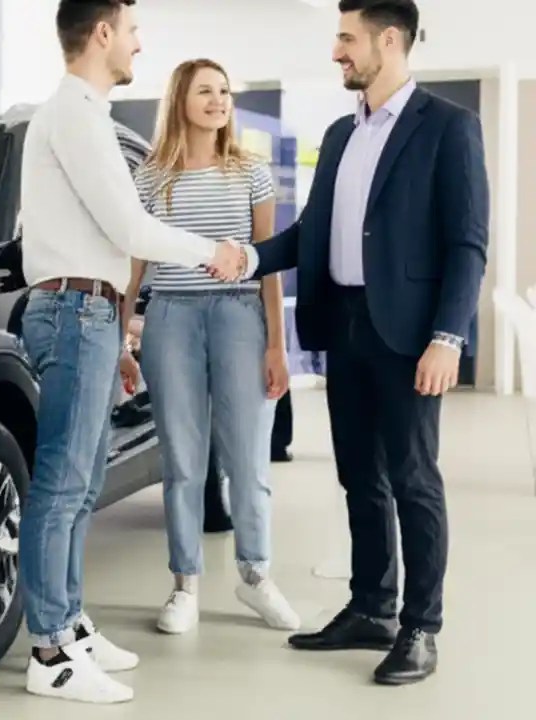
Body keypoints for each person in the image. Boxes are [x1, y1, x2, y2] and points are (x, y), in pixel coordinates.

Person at [239, 0, 489, 685]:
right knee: (359, 479)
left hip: (410, 335)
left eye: (346, 39)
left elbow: (467, 245)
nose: (337, 52)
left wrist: (448, 335)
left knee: (413, 480)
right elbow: (311, 232)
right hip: (344, 325)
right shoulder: (341, 135)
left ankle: (420, 628)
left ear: (388, 39)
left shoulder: (448, 128)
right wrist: (249, 258)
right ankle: (373, 606)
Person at [18, 0, 252, 704]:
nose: (138, 46)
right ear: (102, 33)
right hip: (70, 311)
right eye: (132, 31)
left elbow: (113, 237)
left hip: (89, 311)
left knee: (83, 485)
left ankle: (72, 626)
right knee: (60, 486)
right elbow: (132, 227)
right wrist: (217, 251)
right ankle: (50, 653)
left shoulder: (83, 118)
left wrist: (119, 328)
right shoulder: (72, 115)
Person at [121, 58, 298, 636]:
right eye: (206, 91)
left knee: (248, 457)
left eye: (225, 90)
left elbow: (269, 263)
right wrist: (124, 333)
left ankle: (256, 575)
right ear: (180, 100)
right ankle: (185, 585)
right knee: (182, 460)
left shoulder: (250, 169)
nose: (219, 100)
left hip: (240, 313)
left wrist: (277, 345)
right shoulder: (149, 176)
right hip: (171, 317)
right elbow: (135, 265)